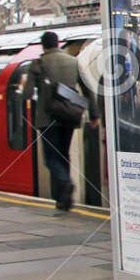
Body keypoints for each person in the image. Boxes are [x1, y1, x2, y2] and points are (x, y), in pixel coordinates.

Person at [26, 29, 97, 211]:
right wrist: (95, 115)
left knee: (51, 158)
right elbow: (88, 90)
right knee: (64, 154)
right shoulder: (74, 62)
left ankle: (65, 184)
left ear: (44, 45)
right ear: (57, 43)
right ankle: (63, 201)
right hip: (69, 115)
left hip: (47, 118)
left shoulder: (38, 63)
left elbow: (27, 93)